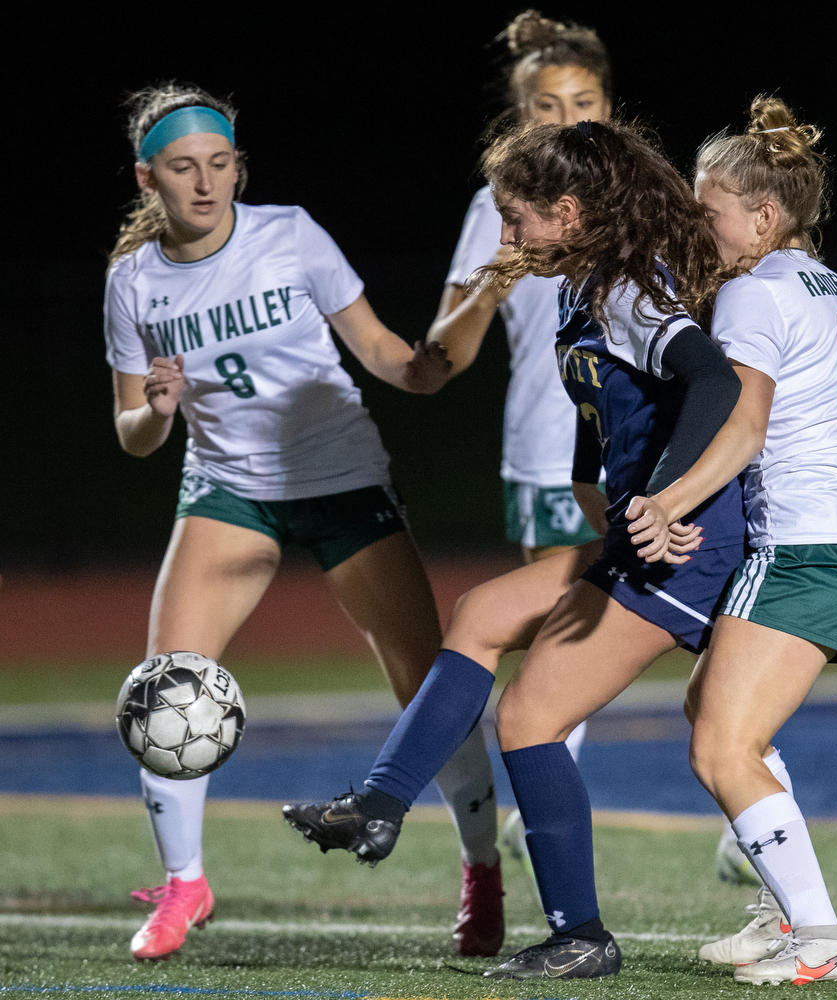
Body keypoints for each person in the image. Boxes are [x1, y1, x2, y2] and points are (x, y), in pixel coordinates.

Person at [284, 118, 748, 980]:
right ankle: (380, 804)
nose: (504, 236)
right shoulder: (582, 289)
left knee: (531, 717)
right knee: (481, 612)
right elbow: (601, 409)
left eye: (514, 218)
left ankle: (582, 934)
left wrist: (662, 497)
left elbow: (713, 380)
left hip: (690, 541)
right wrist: (599, 487)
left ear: (568, 213)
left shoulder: (625, 287)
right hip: (643, 531)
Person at [103, 83, 504, 961]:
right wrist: (157, 411)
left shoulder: (288, 234)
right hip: (228, 490)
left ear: (237, 166)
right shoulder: (132, 282)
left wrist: (430, 364)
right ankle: (184, 885)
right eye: (184, 167)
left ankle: (483, 870)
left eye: (220, 163)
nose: (206, 183)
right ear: (147, 178)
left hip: (342, 479)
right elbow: (133, 432)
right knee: (167, 684)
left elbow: (382, 351)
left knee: (426, 691)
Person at [671, 96, 837, 985]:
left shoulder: (753, 290)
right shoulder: (830, 284)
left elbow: (745, 429)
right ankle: (785, 914)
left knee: (720, 747)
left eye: (709, 212)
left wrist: (671, 501)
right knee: (710, 710)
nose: (700, 229)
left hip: (811, 542)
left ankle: (823, 937)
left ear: (765, 216)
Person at [427, 8, 612, 870]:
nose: (568, 119)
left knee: (707, 614)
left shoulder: (647, 192)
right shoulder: (497, 207)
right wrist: (488, 287)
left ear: (609, 106)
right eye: (547, 105)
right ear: (520, 115)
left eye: (584, 101)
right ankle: (546, 813)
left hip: (653, 450)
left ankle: (752, 790)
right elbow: (449, 346)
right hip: (552, 450)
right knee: (567, 636)